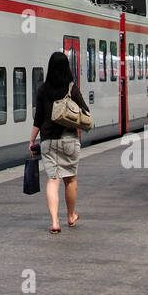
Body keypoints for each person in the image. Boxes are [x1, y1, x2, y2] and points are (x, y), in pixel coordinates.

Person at [29, 50, 90, 234]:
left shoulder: (42, 89)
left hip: (48, 141)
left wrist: (32, 140)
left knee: (52, 181)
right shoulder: (72, 88)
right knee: (70, 180)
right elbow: (85, 111)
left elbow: (38, 118)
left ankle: (55, 222)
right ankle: (70, 216)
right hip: (69, 140)